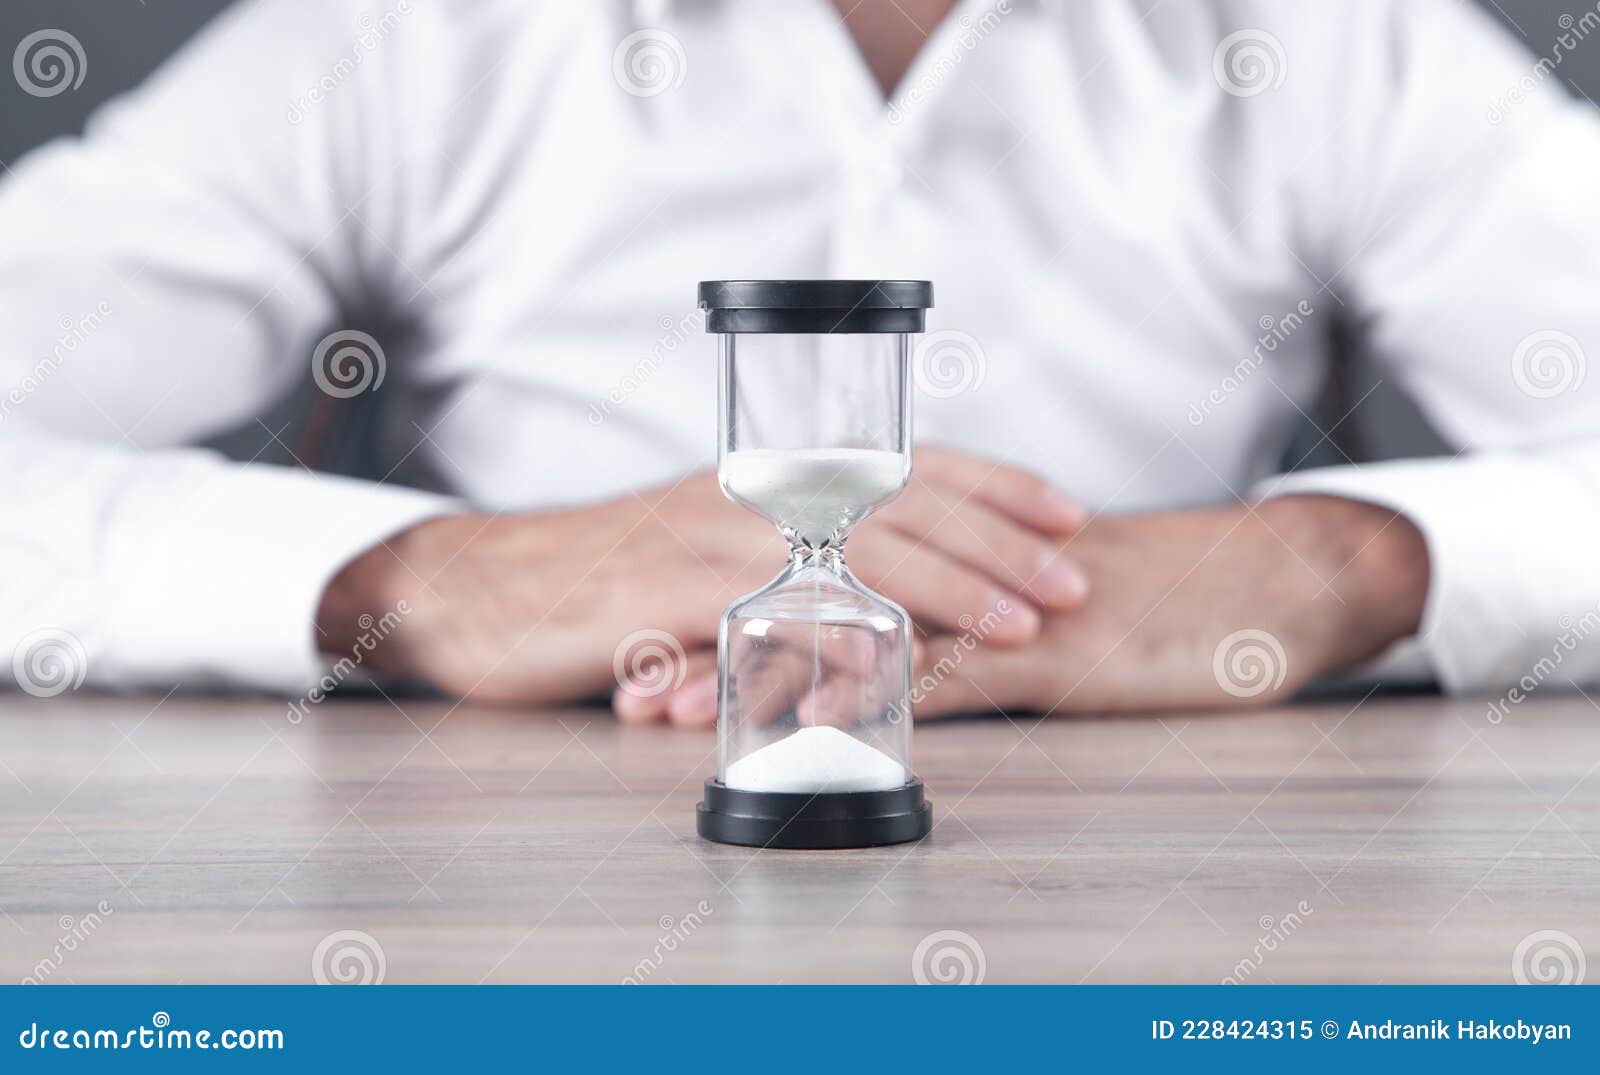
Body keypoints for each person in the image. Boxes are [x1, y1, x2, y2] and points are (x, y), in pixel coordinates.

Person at [1, 0, 1595, 725]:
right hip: (533, 892)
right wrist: (411, 583)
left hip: (1158, 856)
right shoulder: (397, 40)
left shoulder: (1340, 39)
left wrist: (1337, 567)